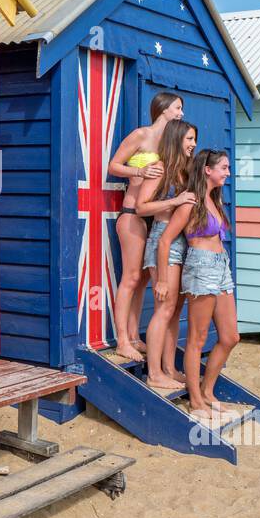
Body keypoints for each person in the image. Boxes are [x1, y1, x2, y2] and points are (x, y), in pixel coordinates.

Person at [155, 149, 238, 424]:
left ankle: (208, 391)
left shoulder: (214, 200)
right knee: (197, 338)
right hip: (200, 267)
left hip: (221, 265)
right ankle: (195, 399)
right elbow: (165, 240)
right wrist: (164, 279)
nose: (228, 172)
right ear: (207, 170)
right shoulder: (190, 202)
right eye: (224, 168)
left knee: (230, 336)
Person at [106, 91, 184, 360]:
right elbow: (113, 165)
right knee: (130, 278)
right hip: (132, 215)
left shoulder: (168, 145)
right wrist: (139, 171)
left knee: (141, 282)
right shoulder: (142, 135)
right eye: (177, 108)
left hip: (153, 218)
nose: (181, 113)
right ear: (163, 110)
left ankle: (134, 336)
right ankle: (121, 341)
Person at [136, 120, 198, 390]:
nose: (193, 144)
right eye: (188, 139)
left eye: (194, 139)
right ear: (176, 139)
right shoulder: (160, 168)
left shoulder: (185, 172)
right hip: (163, 241)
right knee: (163, 309)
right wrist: (174, 201)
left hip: (182, 243)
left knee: (174, 312)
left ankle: (170, 368)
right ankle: (154, 373)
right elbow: (141, 207)